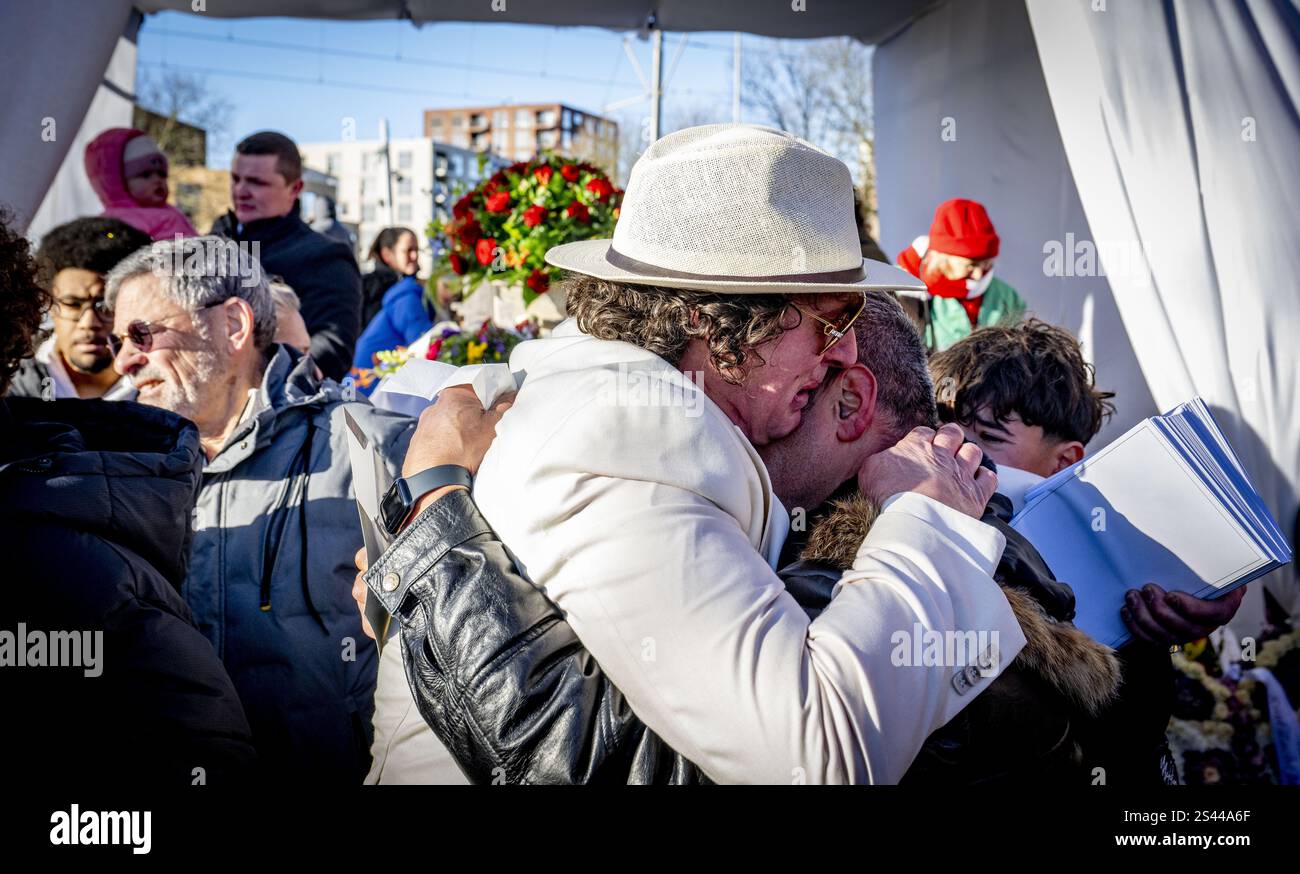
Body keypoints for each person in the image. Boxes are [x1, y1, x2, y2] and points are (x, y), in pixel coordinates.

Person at [366, 124, 1028, 784]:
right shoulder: (632, 441)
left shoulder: (629, 413)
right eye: (833, 320)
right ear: (718, 325)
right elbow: (821, 756)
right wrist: (924, 517)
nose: (846, 353)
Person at [357, 293, 1121, 785]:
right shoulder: (910, 525)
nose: (740, 430)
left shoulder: (863, 559)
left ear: (851, 400)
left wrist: (432, 540)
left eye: (788, 394)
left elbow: (609, 757)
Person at [104, 235, 414, 783]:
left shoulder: (367, 447)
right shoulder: (103, 463)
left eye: (142, 334)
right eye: (116, 342)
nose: (126, 360)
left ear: (233, 325)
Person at [0, 205, 255, 786]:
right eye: (72, 303)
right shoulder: (39, 408)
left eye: (117, 317)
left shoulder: (79, 565)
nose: (94, 326)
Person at [930, 317, 1245, 781]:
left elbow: (1132, 726)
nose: (962, 451)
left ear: (1066, 461)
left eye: (991, 439)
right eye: (948, 429)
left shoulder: (1119, 556)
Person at [211, 131, 361, 382]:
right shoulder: (213, 242)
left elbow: (332, 349)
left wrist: (258, 383)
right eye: (236, 179)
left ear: (295, 188)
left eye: (257, 182)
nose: (241, 191)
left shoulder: (325, 256)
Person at [6, 216, 150, 400]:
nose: (88, 322)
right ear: (48, 303)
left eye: (105, 306)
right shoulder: (10, 385)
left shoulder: (166, 390)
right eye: (72, 304)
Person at [895, 198, 1026, 351]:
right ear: (943, 258)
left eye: (986, 265)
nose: (978, 276)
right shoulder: (906, 291)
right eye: (970, 266)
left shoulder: (1007, 297)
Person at [84, 128, 198, 241]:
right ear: (119, 182)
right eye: (145, 175)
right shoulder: (124, 220)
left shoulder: (167, 210)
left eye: (162, 174)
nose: (158, 180)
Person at [360, 226, 420, 330]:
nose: (414, 256)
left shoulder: (414, 286)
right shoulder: (372, 287)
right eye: (408, 250)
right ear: (387, 254)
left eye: (416, 249)